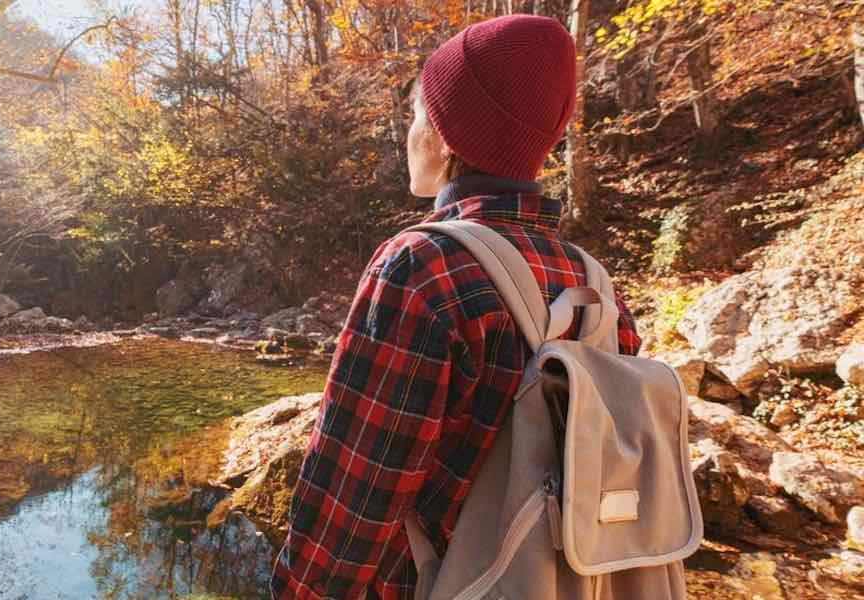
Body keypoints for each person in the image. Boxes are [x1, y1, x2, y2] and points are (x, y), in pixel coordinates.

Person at [270, 14, 642, 600]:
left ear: (447, 135)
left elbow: (354, 501)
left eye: (418, 112)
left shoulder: (420, 267)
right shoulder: (594, 282)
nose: (408, 130)